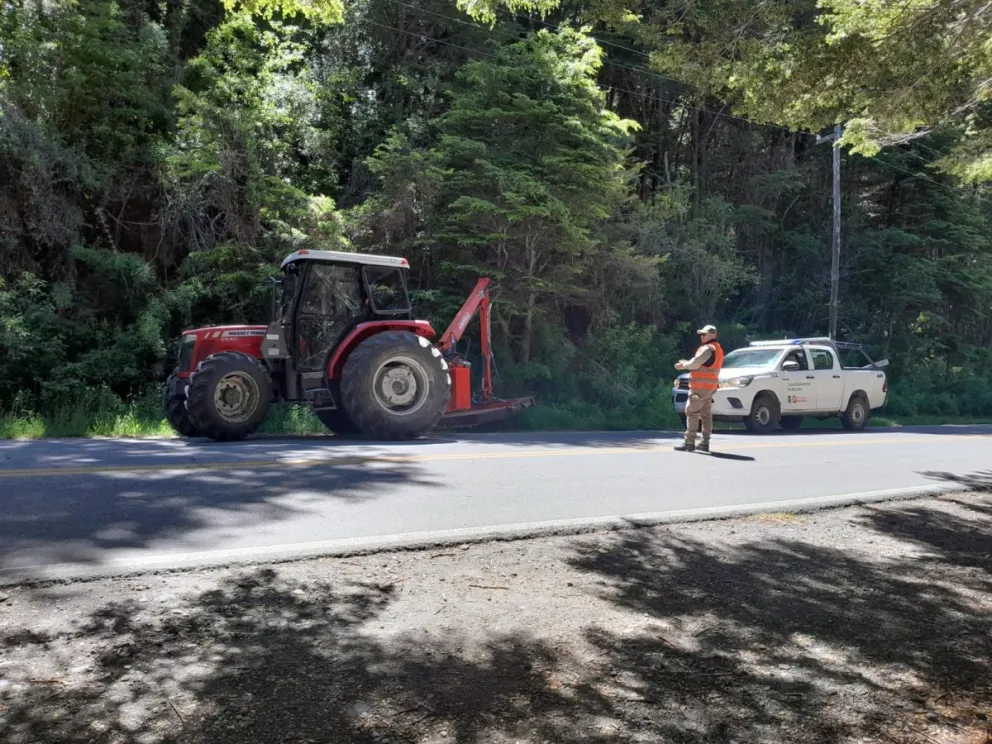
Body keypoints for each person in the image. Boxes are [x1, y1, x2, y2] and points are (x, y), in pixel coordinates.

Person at [674, 324, 724, 453]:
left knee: (691, 412)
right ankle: (704, 442)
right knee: (706, 414)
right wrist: (689, 362)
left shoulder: (707, 348)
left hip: (700, 388)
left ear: (711, 335)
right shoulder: (718, 348)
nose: (701, 337)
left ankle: (689, 442)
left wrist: (683, 364)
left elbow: (695, 364)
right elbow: (704, 365)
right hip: (710, 387)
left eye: (703, 334)